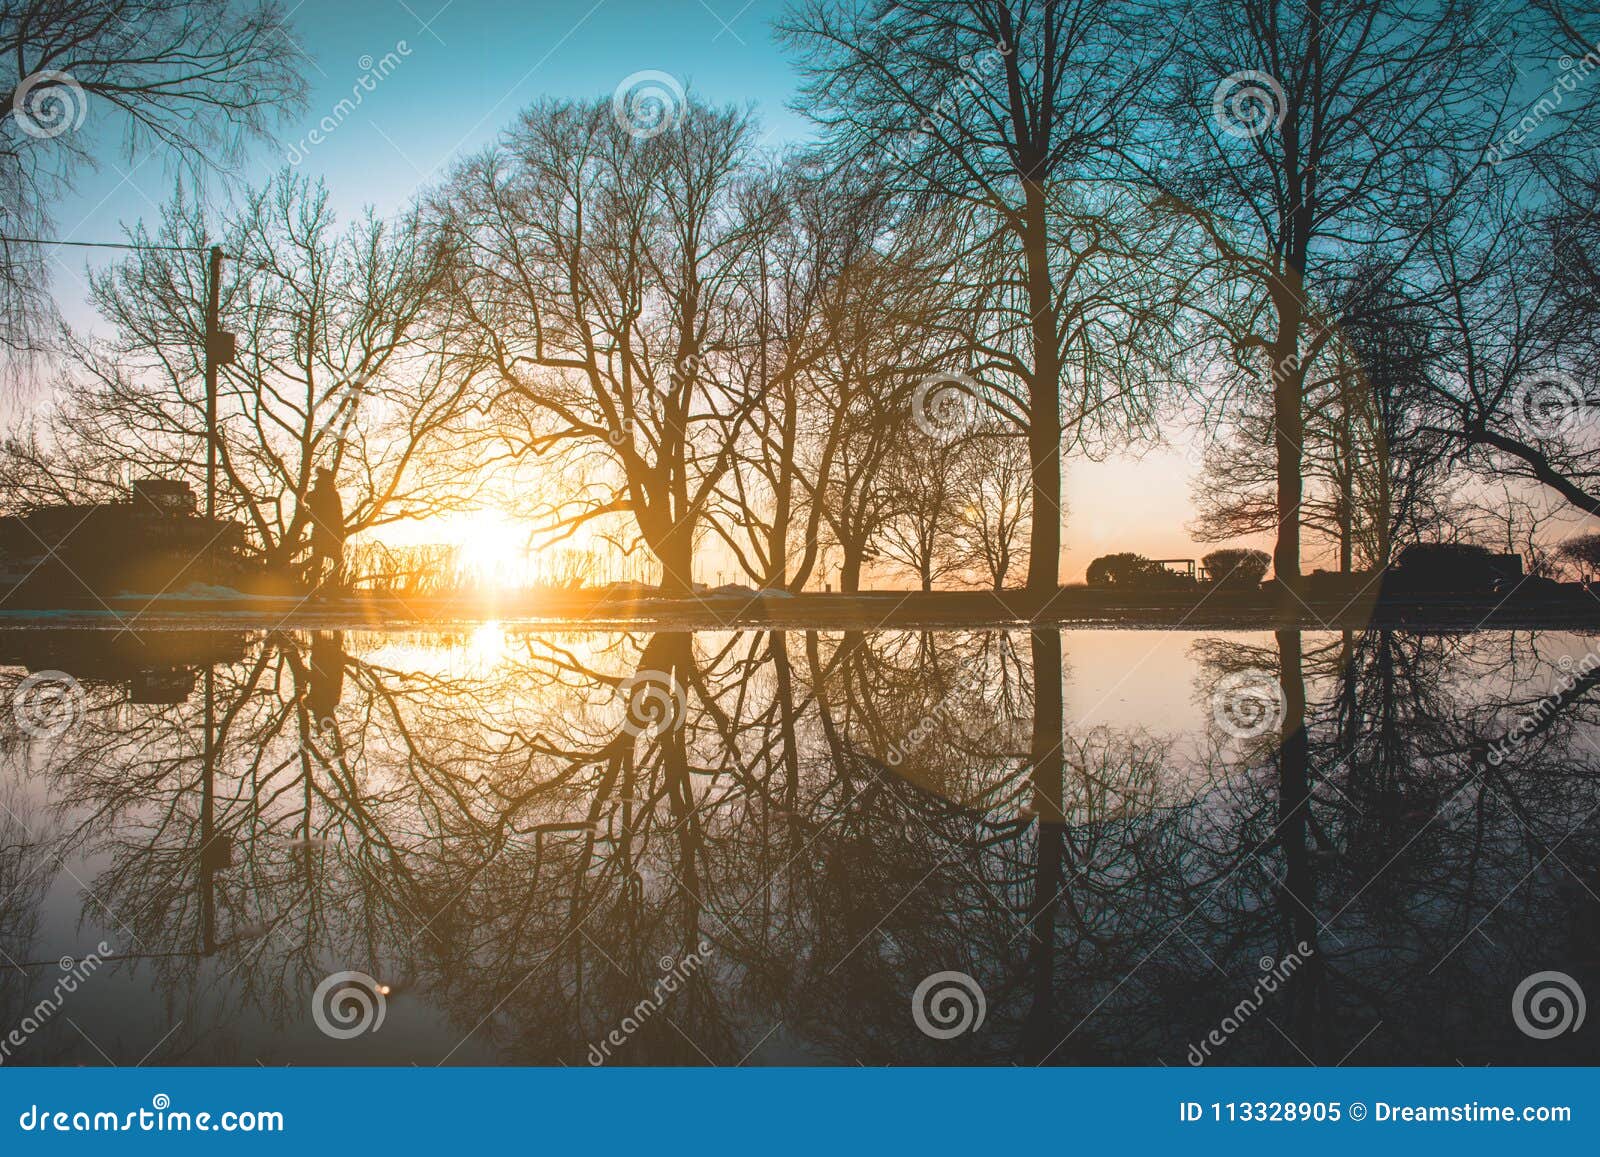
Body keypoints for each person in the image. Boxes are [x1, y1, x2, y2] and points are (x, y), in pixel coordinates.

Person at [304, 468, 345, 592]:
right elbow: (339, 514)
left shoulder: (318, 492)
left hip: (322, 531)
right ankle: (331, 587)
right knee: (337, 560)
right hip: (332, 531)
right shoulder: (331, 493)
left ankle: (313, 588)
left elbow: (307, 500)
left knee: (319, 560)